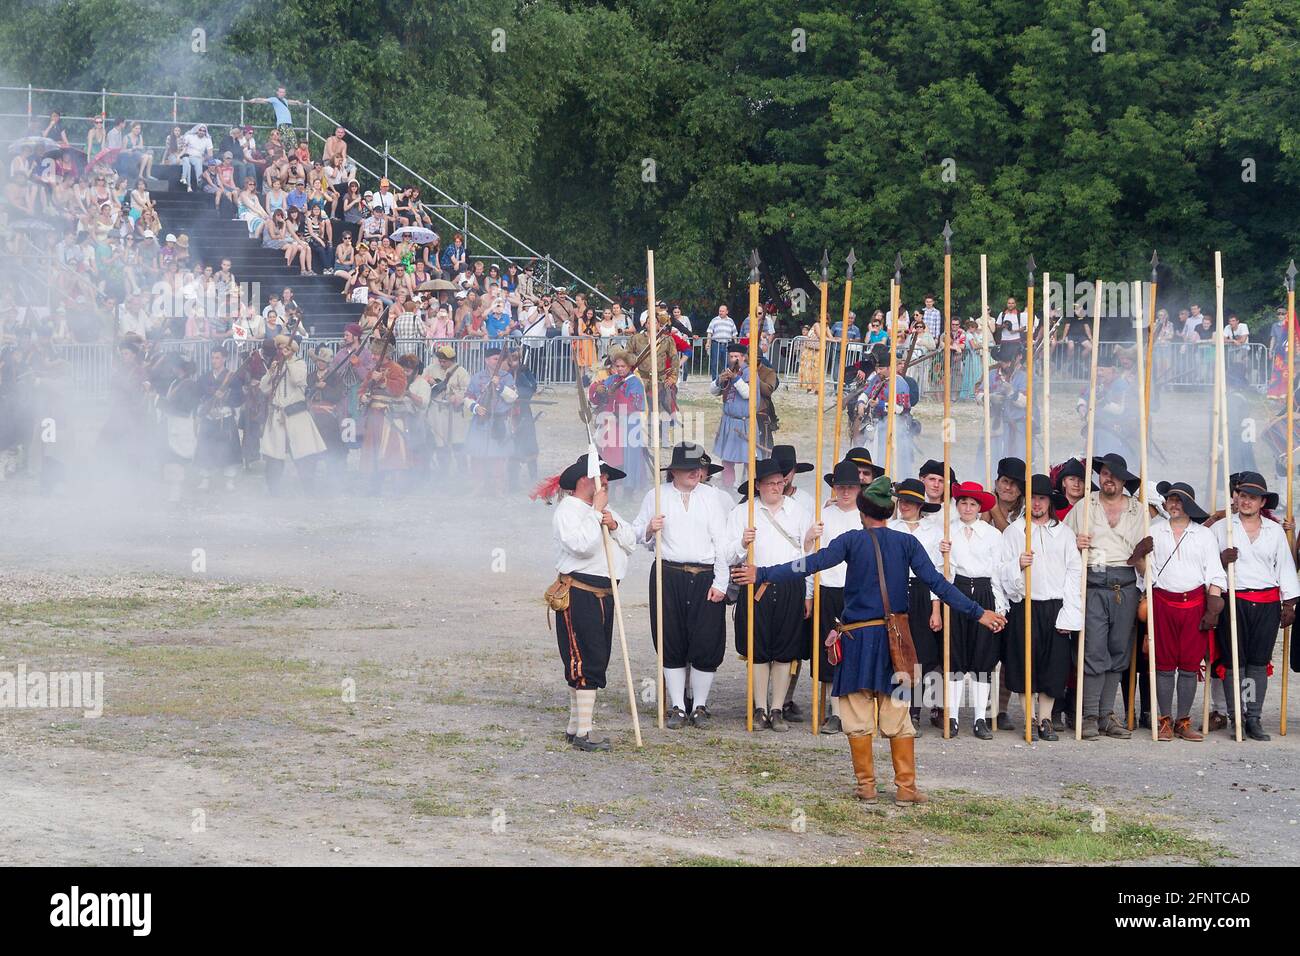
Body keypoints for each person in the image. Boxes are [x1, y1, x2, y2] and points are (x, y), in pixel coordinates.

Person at [734, 475, 1007, 805]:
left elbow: (808, 564)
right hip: (896, 639)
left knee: (857, 714)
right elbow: (940, 584)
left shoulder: (851, 540)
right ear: (890, 513)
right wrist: (980, 612)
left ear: (863, 511)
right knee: (898, 716)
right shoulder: (907, 544)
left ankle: (867, 787)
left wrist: (762, 573)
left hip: (858, 639)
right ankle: (905, 789)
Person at [539, 453, 636, 752]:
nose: (606, 482)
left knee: (594, 657)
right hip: (580, 593)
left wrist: (613, 524)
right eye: (601, 477)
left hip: (605, 595)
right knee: (583, 660)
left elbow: (631, 541)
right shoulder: (569, 511)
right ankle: (582, 732)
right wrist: (596, 514)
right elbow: (582, 547)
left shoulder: (603, 508)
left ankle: (574, 727)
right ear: (585, 480)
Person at [632, 442, 731, 729]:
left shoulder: (713, 498)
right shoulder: (657, 496)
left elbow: (722, 543)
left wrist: (721, 583)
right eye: (689, 469)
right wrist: (650, 528)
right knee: (670, 638)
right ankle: (677, 705)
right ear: (674, 471)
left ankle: (699, 705)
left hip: (705, 575)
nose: (695, 473)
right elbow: (638, 532)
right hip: (668, 573)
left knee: (705, 640)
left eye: (698, 468)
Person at [726, 458, 817, 732]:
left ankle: (777, 708)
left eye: (780, 482)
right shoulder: (742, 513)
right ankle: (759, 708)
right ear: (758, 486)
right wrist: (743, 542)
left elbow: (807, 557)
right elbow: (727, 554)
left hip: (791, 586)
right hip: (755, 587)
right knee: (758, 650)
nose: (776, 488)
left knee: (785, 651)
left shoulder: (799, 513)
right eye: (770, 483)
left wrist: (808, 593)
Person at [1064, 453, 1150, 739]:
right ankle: (1088, 715)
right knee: (1093, 649)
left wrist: (1144, 563)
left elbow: (1143, 557)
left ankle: (1106, 715)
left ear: (1124, 480)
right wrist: (1076, 542)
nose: (1108, 478)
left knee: (1118, 651)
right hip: (1093, 584)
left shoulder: (1138, 510)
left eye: (1114, 474)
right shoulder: (1083, 507)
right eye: (1103, 473)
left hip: (1125, 585)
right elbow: (1063, 546)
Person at [1214, 472, 1300, 740]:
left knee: (1257, 663)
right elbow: (1206, 567)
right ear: (1236, 497)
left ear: (1262, 502)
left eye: (1252, 497)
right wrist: (1221, 559)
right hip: (1234, 599)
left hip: (1266, 602)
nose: (1246, 501)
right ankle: (1235, 715)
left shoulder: (1274, 531)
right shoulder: (1222, 528)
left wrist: (1289, 603)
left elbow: (1285, 567)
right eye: (1242, 495)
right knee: (1233, 662)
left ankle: (1253, 717)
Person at [998, 474, 1083, 741]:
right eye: (1033, 498)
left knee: (1053, 665)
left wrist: (1070, 611)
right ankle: (1029, 719)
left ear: (1050, 502)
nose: (1037, 503)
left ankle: (1045, 719)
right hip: (1026, 604)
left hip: (1055, 606)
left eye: (1042, 498)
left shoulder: (1064, 534)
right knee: (1026, 663)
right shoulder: (1015, 532)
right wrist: (1017, 566)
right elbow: (1000, 571)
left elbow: (1074, 572)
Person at [1140, 482, 1225, 741]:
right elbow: (1146, 575)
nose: (1173, 504)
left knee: (1189, 667)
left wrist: (1213, 608)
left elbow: (1215, 574)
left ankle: (1183, 721)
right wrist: (1139, 559)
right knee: (1164, 665)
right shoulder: (1154, 531)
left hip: (1195, 605)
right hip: (1162, 603)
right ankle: (1164, 720)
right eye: (1170, 500)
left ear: (1188, 504)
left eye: (1178, 500)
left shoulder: (1204, 535)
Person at [939, 481, 1008, 738]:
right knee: (955, 655)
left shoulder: (992, 535)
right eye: (963, 502)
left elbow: (998, 572)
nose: (967, 507)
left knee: (983, 657)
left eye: (972, 503)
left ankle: (980, 718)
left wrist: (1000, 606)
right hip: (955, 592)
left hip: (983, 593)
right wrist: (942, 552)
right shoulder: (946, 532)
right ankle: (953, 717)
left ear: (980, 508)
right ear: (956, 505)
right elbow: (940, 571)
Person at [888, 478, 944, 732]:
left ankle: (916, 711)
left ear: (921, 504)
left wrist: (936, 609)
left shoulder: (933, 532)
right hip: (896, 589)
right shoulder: (890, 527)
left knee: (920, 652)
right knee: (897, 649)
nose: (905, 505)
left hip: (922, 591)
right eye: (902, 500)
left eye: (911, 501)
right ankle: (896, 709)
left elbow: (937, 572)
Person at [258, 334, 326, 495]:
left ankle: (309, 489)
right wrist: (271, 372)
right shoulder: (276, 366)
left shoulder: (299, 364)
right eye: (280, 348)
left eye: (285, 348)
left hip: (296, 415)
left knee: (303, 455)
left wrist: (288, 362)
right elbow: (264, 388)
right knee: (274, 456)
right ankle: (273, 489)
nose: (282, 350)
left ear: (292, 350)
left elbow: (297, 380)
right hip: (277, 416)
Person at [589, 348, 648, 502]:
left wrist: (616, 393)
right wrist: (598, 389)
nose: (620, 369)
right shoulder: (611, 379)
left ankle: (629, 492)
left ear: (629, 367)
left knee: (630, 458)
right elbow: (595, 397)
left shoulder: (635, 383)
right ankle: (612, 491)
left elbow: (636, 405)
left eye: (623, 366)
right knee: (612, 459)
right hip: (613, 425)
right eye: (618, 366)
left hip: (629, 424)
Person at [357, 336, 410, 494]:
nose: (372, 356)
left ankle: (396, 488)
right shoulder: (373, 370)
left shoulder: (396, 369)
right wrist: (363, 396)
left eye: (375, 354)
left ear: (384, 354)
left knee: (391, 454)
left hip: (389, 416)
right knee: (373, 453)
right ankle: (375, 487)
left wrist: (384, 380)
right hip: (374, 416)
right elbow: (363, 388)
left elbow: (400, 390)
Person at [465, 347, 517, 495]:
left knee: (499, 458)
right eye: (495, 359)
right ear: (486, 360)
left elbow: (513, 396)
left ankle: (499, 488)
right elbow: (468, 397)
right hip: (481, 421)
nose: (497, 362)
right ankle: (477, 487)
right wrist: (475, 407)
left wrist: (499, 386)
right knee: (477, 456)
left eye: (498, 359)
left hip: (498, 421)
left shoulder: (506, 377)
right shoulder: (477, 377)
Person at [711, 341, 760, 488]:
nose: (733, 359)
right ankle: (728, 488)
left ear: (743, 357)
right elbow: (713, 391)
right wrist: (720, 380)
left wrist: (735, 378)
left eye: (736, 356)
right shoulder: (728, 370)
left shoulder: (750, 372)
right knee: (727, 459)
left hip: (744, 423)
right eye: (731, 356)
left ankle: (752, 489)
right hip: (728, 421)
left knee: (749, 459)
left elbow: (747, 394)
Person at [195, 349, 244, 492]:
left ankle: (229, 480)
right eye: (212, 358)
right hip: (209, 417)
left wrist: (226, 396)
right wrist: (209, 395)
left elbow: (239, 398)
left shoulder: (233, 377)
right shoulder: (204, 377)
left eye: (217, 358)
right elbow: (198, 393)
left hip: (225, 416)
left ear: (224, 359)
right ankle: (205, 479)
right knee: (205, 448)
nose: (214, 361)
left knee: (229, 449)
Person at [427, 345, 470, 481]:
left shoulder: (461, 372)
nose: (441, 363)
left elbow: (467, 390)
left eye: (444, 361)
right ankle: (443, 475)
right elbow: (422, 381)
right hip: (437, 412)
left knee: (458, 444)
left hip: (454, 414)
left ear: (451, 360)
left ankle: (463, 475)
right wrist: (429, 381)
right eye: (440, 360)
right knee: (440, 445)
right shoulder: (431, 369)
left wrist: (457, 396)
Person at [505, 349, 539, 491]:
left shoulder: (524, 372)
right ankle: (513, 482)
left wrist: (521, 374)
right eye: (512, 358)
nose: (514, 361)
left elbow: (531, 389)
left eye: (516, 358)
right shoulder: (504, 374)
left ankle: (534, 479)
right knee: (512, 448)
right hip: (507, 412)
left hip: (523, 412)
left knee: (530, 446)